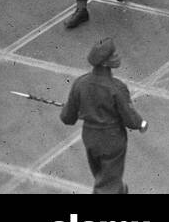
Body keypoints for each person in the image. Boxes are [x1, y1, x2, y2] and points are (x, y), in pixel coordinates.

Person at [59, 38, 147, 193]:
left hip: (90, 137)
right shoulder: (116, 87)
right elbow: (128, 116)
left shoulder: (80, 83)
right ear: (105, 63)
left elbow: (67, 118)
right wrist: (140, 123)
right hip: (112, 138)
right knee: (107, 184)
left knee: (103, 175)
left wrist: (74, 109)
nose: (117, 55)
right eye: (113, 54)